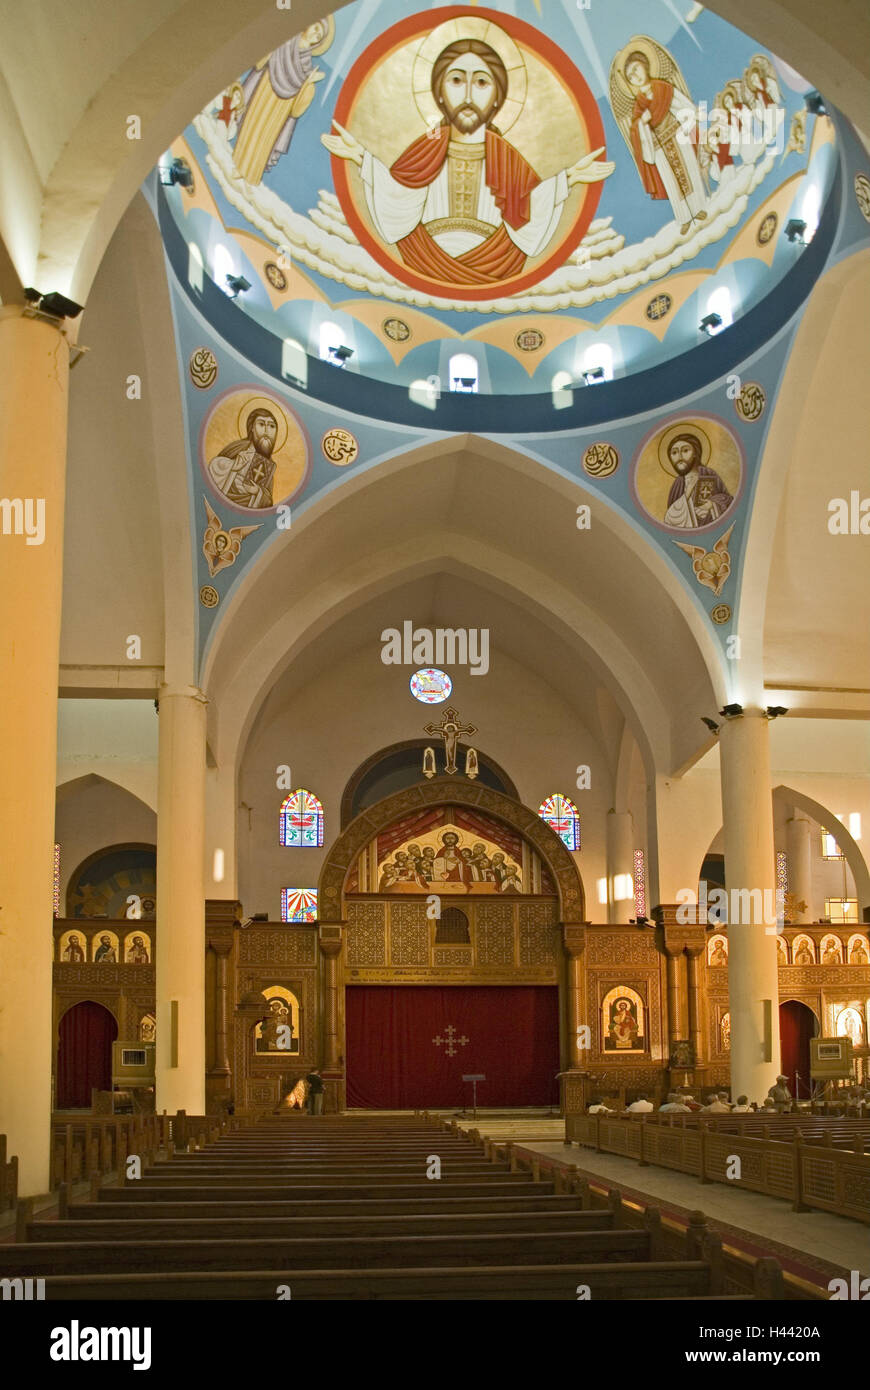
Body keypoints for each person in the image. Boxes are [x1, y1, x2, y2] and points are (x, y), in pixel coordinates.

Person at [323, 35, 613, 286]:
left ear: (498, 97)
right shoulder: (426, 147)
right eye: (457, 80)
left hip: (496, 263)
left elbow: (528, 209)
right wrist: (360, 157)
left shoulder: (508, 157)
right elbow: (399, 192)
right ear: (439, 92)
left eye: (482, 82)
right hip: (423, 258)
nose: (468, 94)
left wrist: (570, 177)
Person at [621, 49, 708, 235]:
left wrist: (691, 116)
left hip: (677, 136)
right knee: (671, 181)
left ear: (645, 67)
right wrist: (642, 122)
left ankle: (699, 207)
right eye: (630, 75)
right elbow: (635, 131)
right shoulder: (639, 105)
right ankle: (684, 218)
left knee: (690, 171)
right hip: (659, 147)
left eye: (636, 69)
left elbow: (680, 104)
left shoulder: (663, 88)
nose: (635, 75)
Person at [207, 407, 278, 510]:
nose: (266, 431)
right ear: (252, 428)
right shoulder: (238, 448)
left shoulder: (269, 467)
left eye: (272, 426)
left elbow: (267, 502)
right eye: (261, 424)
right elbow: (214, 466)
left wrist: (257, 491)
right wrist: (233, 468)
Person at [663, 433, 734, 529]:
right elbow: (669, 520)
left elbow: (728, 500)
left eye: (685, 450)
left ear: (695, 453)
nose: (679, 456)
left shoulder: (708, 473)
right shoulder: (677, 484)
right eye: (674, 453)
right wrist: (686, 496)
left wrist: (712, 505)